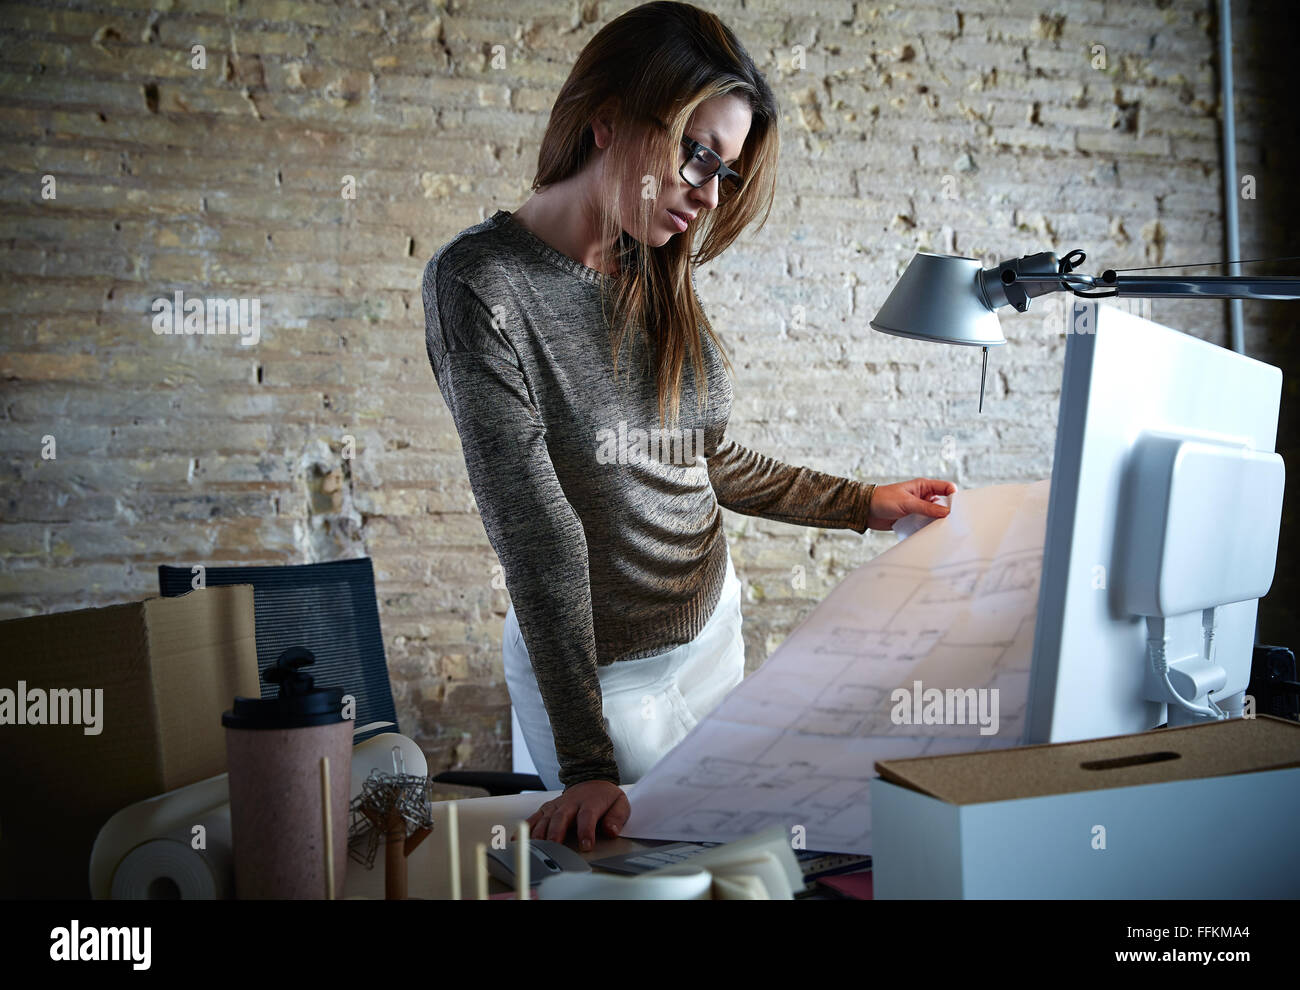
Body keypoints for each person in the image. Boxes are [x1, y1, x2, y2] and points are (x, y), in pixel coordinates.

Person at [420, 1, 954, 855]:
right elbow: (536, 531)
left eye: (726, 172)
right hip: (602, 676)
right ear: (607, 118)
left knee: (729, 862)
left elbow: (706, 459)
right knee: (632, 874)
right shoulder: (481, 284)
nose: (707, 195)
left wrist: (863, 503)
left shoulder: (653, 270)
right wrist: (586, 758)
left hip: (709, 631)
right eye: (695, 153)